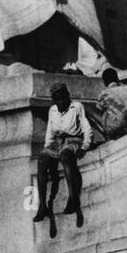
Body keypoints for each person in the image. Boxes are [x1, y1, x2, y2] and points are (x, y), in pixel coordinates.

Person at [34, 84, 93, 236]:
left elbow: (86, 128)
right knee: (41, 161)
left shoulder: (76, 107)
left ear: (67, 96)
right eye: (57, 99)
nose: (60, 102)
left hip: (73, 140)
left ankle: (73, 198)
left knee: (66, 156)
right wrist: (47, 150)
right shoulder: (52, 110)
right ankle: (42, 205)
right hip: (57, 142)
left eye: (63, 98)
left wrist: (85, 146)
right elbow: (49, 132)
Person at [95, 68, 127, 141]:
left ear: (105, 82)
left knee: (105, 112)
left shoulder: (103, 93)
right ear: (117, 78)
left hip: (113, 128)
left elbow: (99, 108)